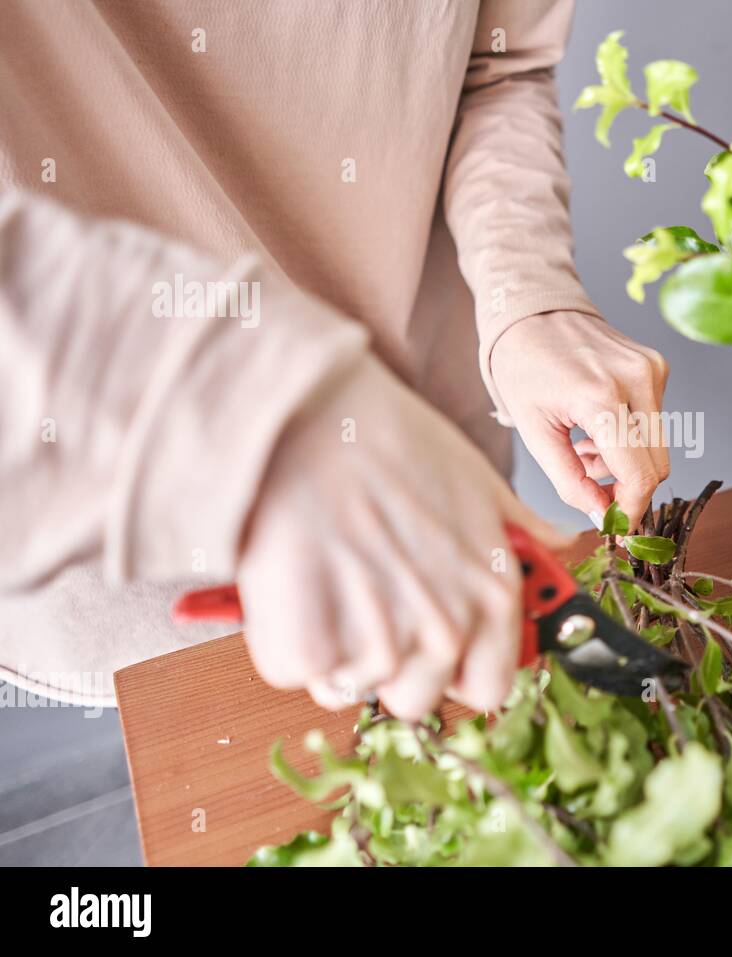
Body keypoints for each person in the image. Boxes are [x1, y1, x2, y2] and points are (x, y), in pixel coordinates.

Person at [0, 0, 669, 720]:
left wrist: (528, 294)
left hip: (434, 439)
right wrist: (258, 415)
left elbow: (499, 69)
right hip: (116, 562)